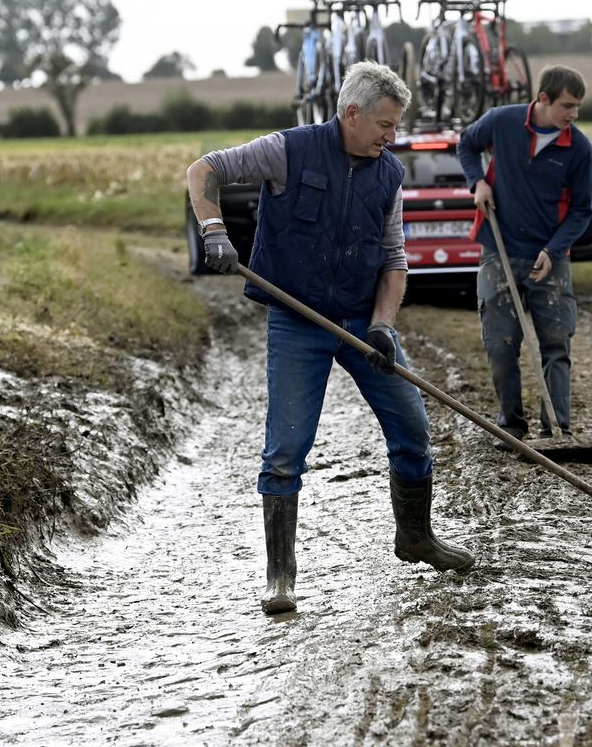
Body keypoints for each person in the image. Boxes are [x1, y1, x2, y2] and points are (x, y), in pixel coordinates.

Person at [187, 61, 473, 616]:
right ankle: (280, 576)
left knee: (413, 430)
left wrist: (383, 325)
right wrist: (213, 230)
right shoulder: (287, 150)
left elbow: (394, 258)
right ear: (352, 112)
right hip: (298, 320)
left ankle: (416, 537)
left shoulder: (388, 174)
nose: (392, 136)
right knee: (285, 451)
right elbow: (205, 170)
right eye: (385, 125)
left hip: (361, 321)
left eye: (396, 126)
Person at [456, 65, 592, 444]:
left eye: (578, 107)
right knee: (500, 343)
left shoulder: (579, 148)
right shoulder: (502, 122)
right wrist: (478, 182)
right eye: (567, 105)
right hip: (498, 248)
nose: (573, 114)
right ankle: (511, 426)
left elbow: (583, 210)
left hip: (549, 257)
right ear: (543, 99)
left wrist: (554, 250)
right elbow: (466, 144)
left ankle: (557, 429)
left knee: (556, 343)